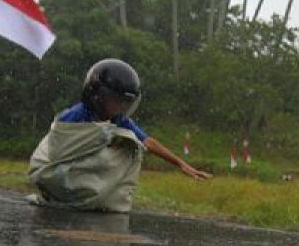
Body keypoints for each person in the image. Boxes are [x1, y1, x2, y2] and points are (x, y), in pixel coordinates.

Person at [28, 59, 211, 212]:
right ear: (97, 95)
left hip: (86, 180)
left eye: (124, 102)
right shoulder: (74, 116)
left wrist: (181, 164)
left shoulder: (118, 119)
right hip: (63, 171)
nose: (120, 107)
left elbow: (147, 141)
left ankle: (89, 196)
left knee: (128, 146)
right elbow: (58, 149)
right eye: (115, 100)